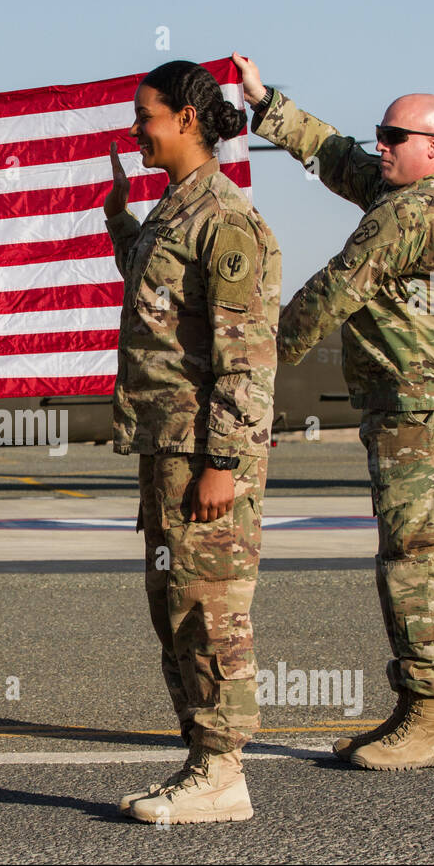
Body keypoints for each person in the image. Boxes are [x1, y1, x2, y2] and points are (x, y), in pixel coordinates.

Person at [234, 52, 434, 770]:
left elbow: (333, 289)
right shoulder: (400, 193)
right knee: (407, 558)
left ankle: (429, 722)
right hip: (408, 411)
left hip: (424, 415)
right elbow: (336, 154)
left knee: (417, 563)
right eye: (382, 131)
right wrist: (266, 102)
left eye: (394, 137)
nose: (380, 145)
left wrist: (253, 358)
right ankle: (416, 712)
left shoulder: (414, 210)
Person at [105, 60, 281, 824]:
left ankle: (223, 771)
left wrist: (223, 463)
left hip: (202, 450)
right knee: (174, 604)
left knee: (211, 610)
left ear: (185, 118)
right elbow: (161, 305)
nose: (136, 128)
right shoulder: (175, 210)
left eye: (145, 115)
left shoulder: (225, 218)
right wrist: (120, 220)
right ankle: (201, 761)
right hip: (165, 444)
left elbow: (246, 355)